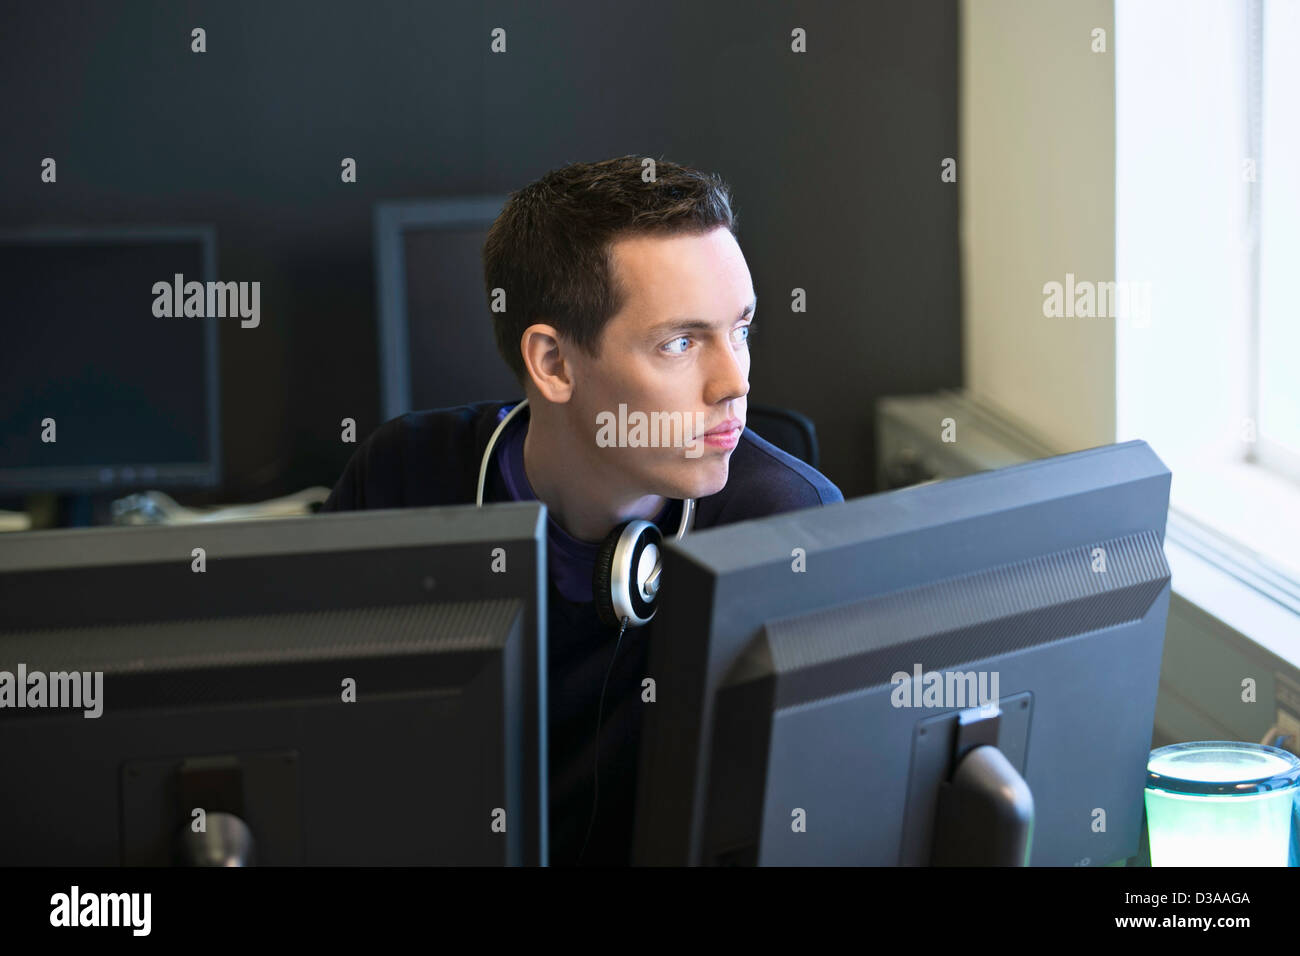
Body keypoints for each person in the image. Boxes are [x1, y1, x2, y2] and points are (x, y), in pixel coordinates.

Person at [320, 154, 843, 865]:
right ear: (555, 364)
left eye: (741, 329)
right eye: (682, 342)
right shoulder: (402, 478)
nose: (735, 382)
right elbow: (320, 767)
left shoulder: (785, 524)